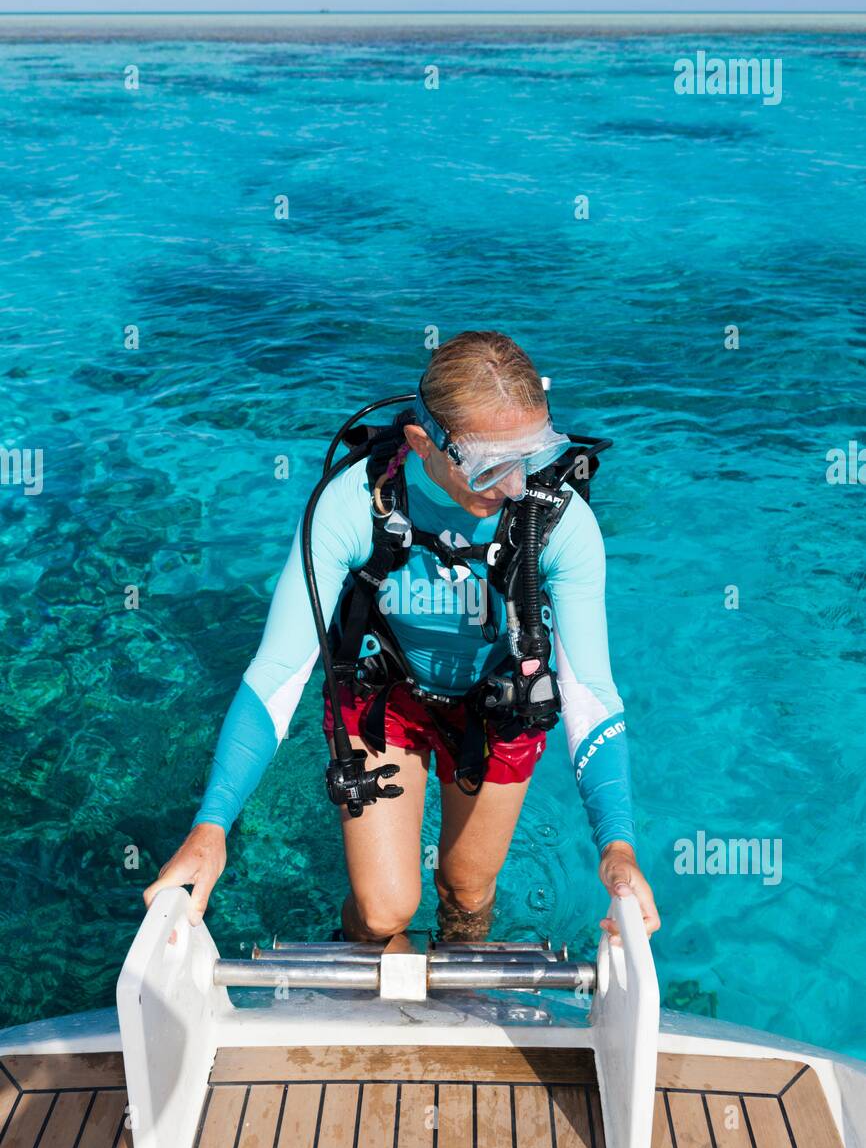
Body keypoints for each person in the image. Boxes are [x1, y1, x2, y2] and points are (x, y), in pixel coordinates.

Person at [144, 331, 660, 947]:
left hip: (500, 701)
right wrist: (212, 827)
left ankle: (461, 996)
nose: (515, 486)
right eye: (491, 465)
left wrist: (618, 845)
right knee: (384, 911)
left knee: (467, 894)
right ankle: (364, 981)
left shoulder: (562, 522)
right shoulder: (352, 506)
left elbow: (591, 691)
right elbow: (277, 671)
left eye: (533, 454)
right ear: (422, 443)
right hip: (386, 695)